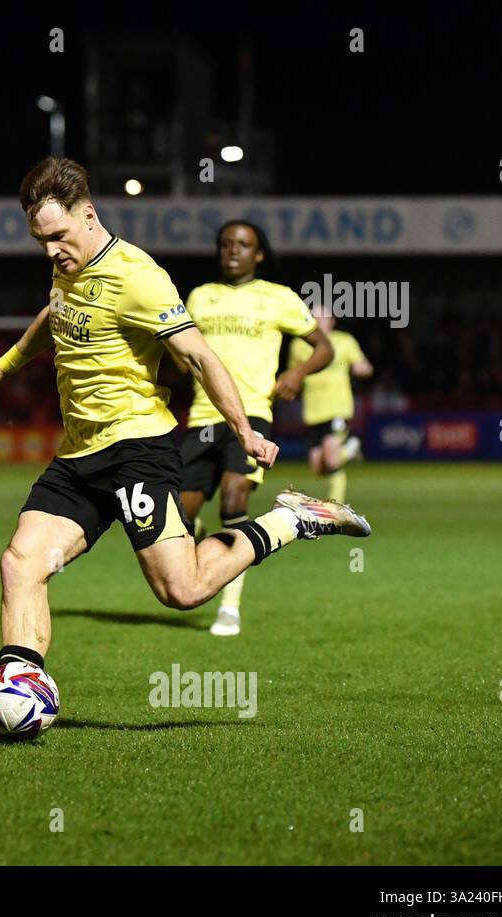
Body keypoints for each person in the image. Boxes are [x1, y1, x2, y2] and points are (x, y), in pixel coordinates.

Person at [0, 158, 370, 740]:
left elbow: (199, 356)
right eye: (40, 241)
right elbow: (57, 313)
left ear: (87, 215)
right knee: (21, 562)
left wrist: (245, 431)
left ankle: (292, 520)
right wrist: (4, 365)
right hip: (79, 454)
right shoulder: (66, 265)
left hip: (136, 449)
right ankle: (17, 700)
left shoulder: (137, 275)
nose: (50, 252)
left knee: (183, 589)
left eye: (58, 237)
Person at [178, 220, 335, 637]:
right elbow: (184, 354)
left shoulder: (278, 298)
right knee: (178, 518)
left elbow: (325, 346)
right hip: (201, 418)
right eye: (226, 243)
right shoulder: (200, 296)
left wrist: (298, 373)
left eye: (243, 245)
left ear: (259, 254)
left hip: (251, 417)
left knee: (234, 498)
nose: (233, 250)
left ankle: (229, 608)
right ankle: (207, 544)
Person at [288, 308, 372, 503]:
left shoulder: (344, 341)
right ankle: (350, 449)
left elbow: (365, 366)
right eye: (314, 318)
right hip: (313, 411)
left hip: (338, 408)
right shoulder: (298, 345)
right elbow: (294, 374)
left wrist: (362, 369)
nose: (318, 321)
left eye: (322, 318)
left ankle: (336, 506)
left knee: (332, 458)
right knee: (318, 468)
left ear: (332, 321)